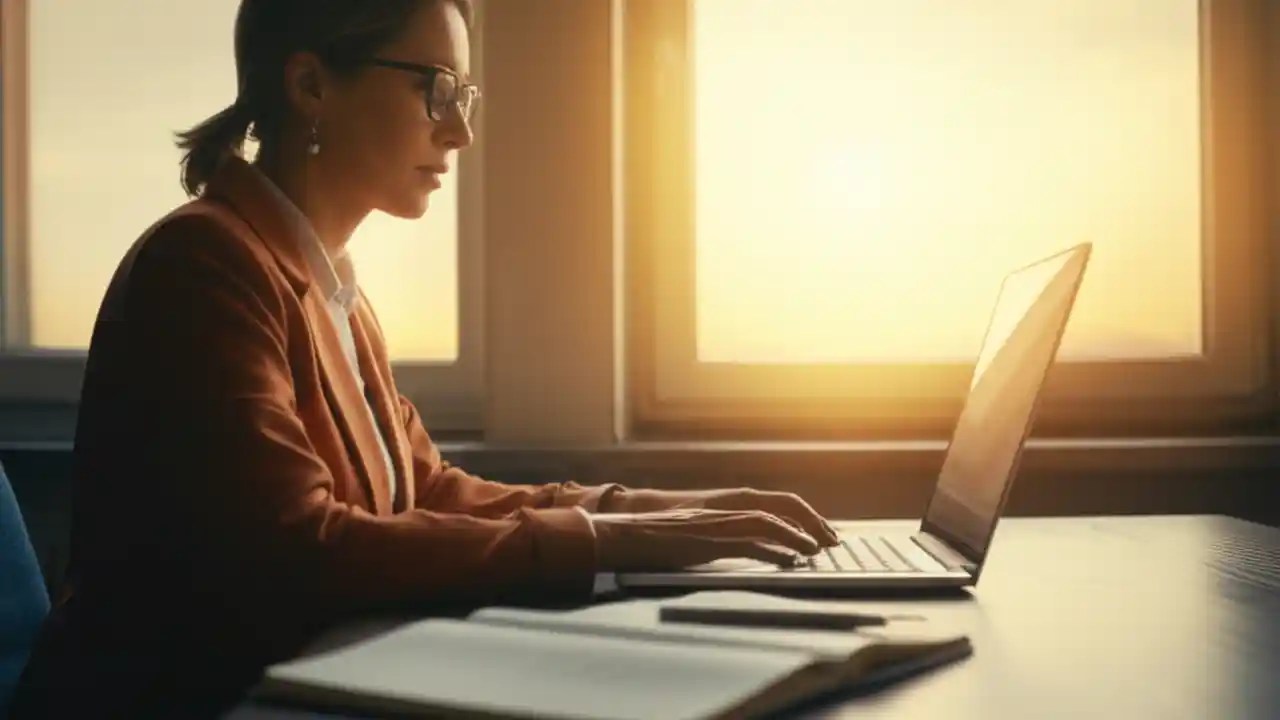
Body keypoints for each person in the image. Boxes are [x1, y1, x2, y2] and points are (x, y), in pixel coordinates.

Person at [8, 1, 837, 716]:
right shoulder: (204, 268)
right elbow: (297, 551)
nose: (463, 129)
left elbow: (426, 489)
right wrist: (597, 539)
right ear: (310, 87)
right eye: (436, 88)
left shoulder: (331, 290)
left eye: (465, 94)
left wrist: (655, 511)